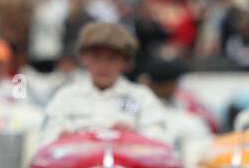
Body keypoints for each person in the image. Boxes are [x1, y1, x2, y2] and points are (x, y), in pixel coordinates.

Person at [41, 21, 171, 144]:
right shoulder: (66, 96)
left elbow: (159, 139)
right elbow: (45, 138)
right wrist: (62, 138)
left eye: (112, 58)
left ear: (125, 62)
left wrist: (135, 136)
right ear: (83, 59)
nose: (103, 66)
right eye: (96, 57)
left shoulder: (141, 97)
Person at [140, 58, 213, 164]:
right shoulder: (145, 105)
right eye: (173, 82)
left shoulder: (181, 103)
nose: (176, 86)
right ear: (160, 85)